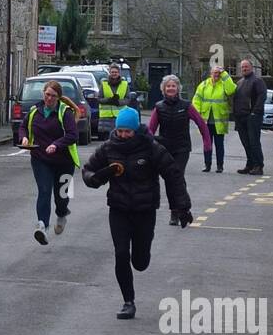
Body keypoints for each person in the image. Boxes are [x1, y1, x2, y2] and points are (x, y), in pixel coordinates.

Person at [83, 105, 193, 319]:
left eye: (128, 131)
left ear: (136, 130)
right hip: (118, 209)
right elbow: (88, 170)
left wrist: (181, 207)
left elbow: (173, 175)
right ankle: (128, 301)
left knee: (140, 262)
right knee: (121, 254)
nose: (123, 135)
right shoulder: (108, 147)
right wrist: (96, 177)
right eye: (120, 131)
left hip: (145, 209)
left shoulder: (151, 147)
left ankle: (142, 257)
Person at [20, 78, 80, 244]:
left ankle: (62, 214)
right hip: (41, 159)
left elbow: (73, 135)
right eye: (47, 94)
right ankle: (42, 227)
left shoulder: (65, 112)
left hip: (64, 161)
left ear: (58, 97)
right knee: (44, 190)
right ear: (43, 94)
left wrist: (56, 144)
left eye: (53, 96)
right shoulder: (34, 111)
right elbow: (23, 126)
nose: (49, 98)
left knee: (62, 196)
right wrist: (24, 138)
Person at [147, 75, 211, 224]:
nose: (170, 88)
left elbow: (202, 124)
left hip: (182, 148)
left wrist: (207, 144)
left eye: (173, 86)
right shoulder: (159, 107)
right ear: (163, 89)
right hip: (165, 148)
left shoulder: (186, 106)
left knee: (177, 176)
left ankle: (182, 209)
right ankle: (175, 212)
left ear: (178, 89)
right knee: (170, 179)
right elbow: (150, 130)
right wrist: (147, 147)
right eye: (168, 86)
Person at [192, 66, 236, 173]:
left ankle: (220, 166)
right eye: (214, 73)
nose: (216, 75)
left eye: (218, 73)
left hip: (219, 121)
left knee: (219, 144)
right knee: (207, 144)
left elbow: (232, 89)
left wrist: (225, 74)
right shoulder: (204, 85)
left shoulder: (224, 84)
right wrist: (197, 114)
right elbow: (196, 100)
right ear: (210, 73)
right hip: (205, 120)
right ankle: (207, 165)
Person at [233, 59, 267, 175]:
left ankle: (258, 165)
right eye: (242, 67)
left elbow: (261, 97)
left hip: (252, 117)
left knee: (254, 142)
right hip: (240, 117)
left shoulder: (257, 81)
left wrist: (255, 112)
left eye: (246, 66)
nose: (244, 69)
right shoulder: (239, 82)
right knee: (246, 143)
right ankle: (250, 164)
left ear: (252, 67)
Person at [99, 62, 130, 136]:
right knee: (108, 138)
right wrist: (109, 100)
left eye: (116, 72)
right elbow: (99, 99)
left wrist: (118, 102)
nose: (114, 74)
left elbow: (128, 99)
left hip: (120, 116)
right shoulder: (104, 83)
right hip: (106, 117)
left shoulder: (125, 84)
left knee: (120, 137)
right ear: (109, 73)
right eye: (112, 72)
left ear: (119, 73)